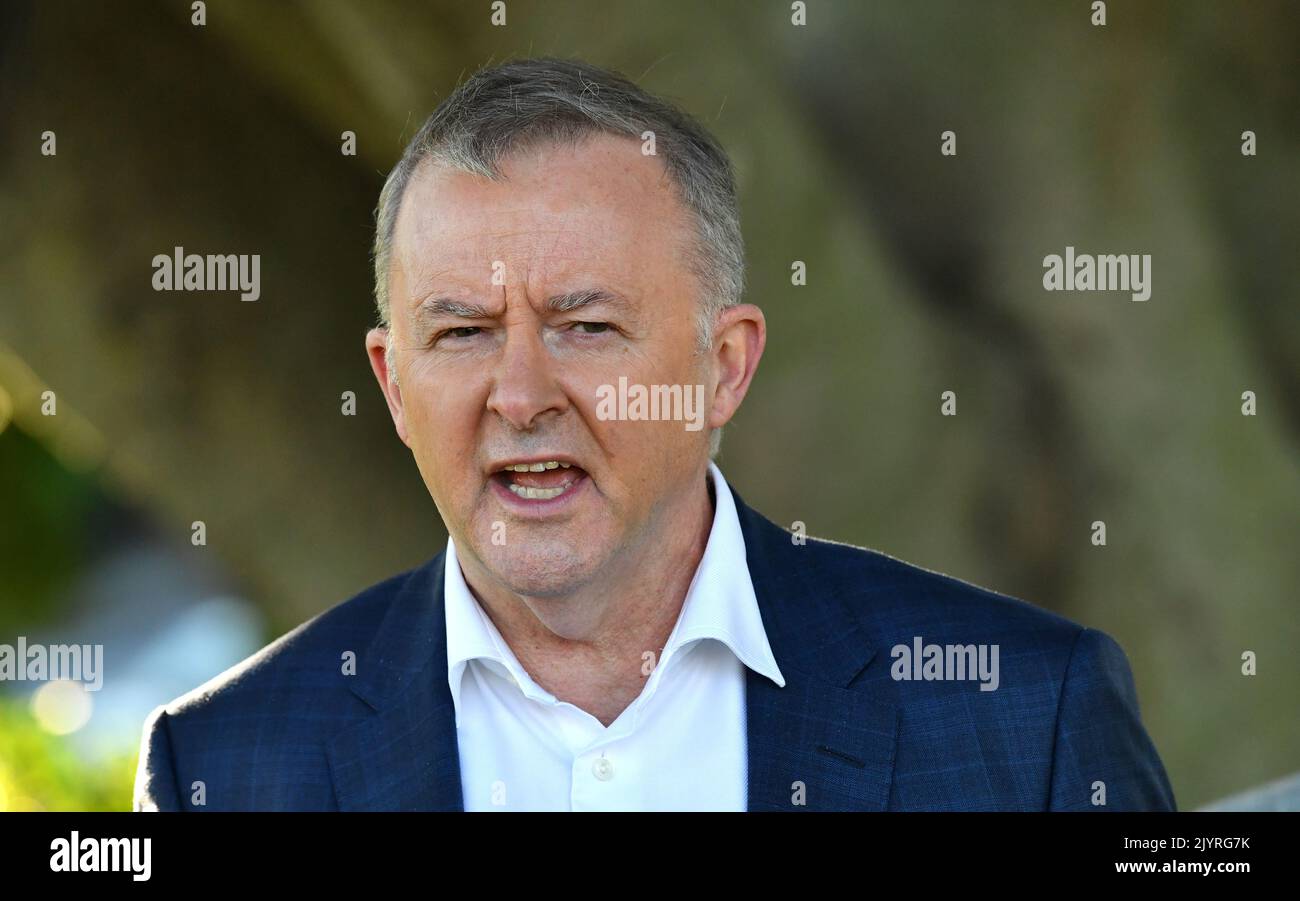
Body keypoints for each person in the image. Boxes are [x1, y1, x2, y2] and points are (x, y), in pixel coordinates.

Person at [134, 57, 1175, 812]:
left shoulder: (1027, 721)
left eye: (586, 326)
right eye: (461, 332)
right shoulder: (222, 768)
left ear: (722, 367)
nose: (520, 393)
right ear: (393, 384)